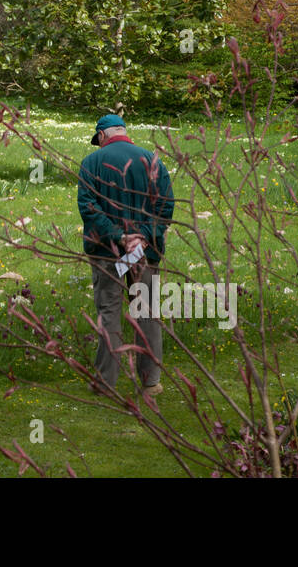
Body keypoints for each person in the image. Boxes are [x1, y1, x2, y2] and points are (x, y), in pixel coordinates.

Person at [77, 114, 175, 396]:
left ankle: (106, 383)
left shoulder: (91, 163)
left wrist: (120, 236)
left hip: (106, 252)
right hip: (146, 251)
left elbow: (89, 208)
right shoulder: (154, 162)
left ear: (103, 136)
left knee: (109, 313)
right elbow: (166, 207)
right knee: (146, 312)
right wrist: (142, 236)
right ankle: (151, 382)